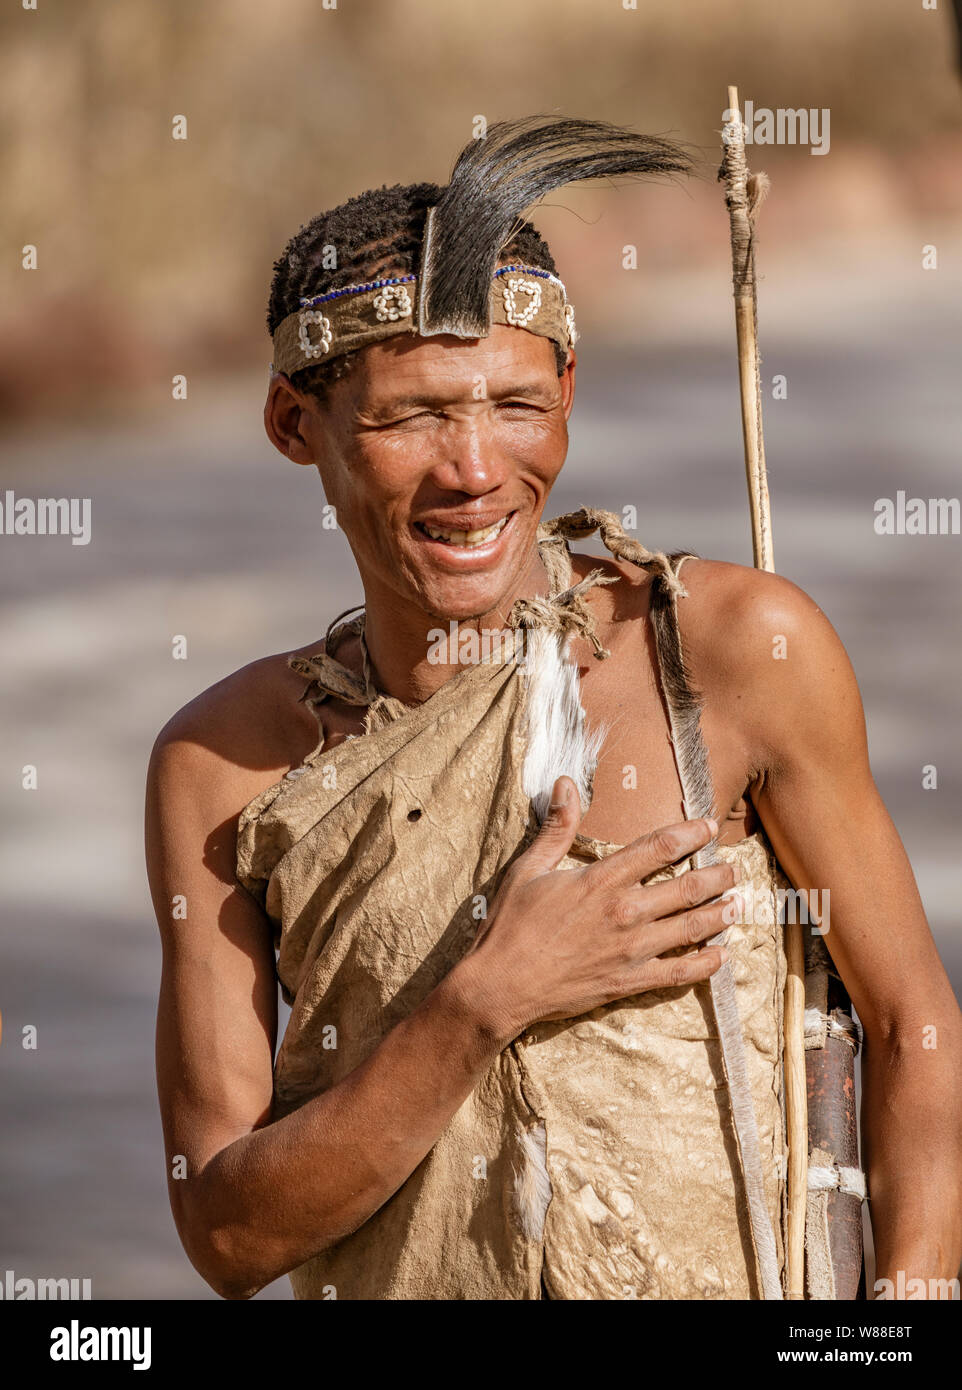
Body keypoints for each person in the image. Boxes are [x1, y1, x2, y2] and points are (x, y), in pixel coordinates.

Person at [145, 116, 962, 1301]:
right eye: (409, 415)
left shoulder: (727, 651)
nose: (474, 468)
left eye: (515, 405)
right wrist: (485, 997)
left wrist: (907, 1304)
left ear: (567, 393)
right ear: (293, 426)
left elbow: (913, 1030)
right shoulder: (223, 762)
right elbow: (228, 1238)